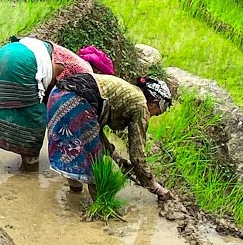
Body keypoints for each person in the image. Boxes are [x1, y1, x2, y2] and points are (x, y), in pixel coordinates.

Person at [47, 73, 173, 201]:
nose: (155, 116)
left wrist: (117, 159)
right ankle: (101, 206)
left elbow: (96, 133)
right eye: (159, 111)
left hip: (58, 94)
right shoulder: (141, 106)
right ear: (154, 103)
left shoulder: (130, 93)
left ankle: (75, 193)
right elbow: (137, 155)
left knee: (74, 151)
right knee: (95, 161)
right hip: (78, 101)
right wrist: (153, 185)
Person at [0, 36, 60, 170]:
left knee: (12, 104)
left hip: (3, 54)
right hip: (24, 61)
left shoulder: (65, 57)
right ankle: (30, 163)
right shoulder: (80, 69)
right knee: (34, 115)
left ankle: (25, 158)